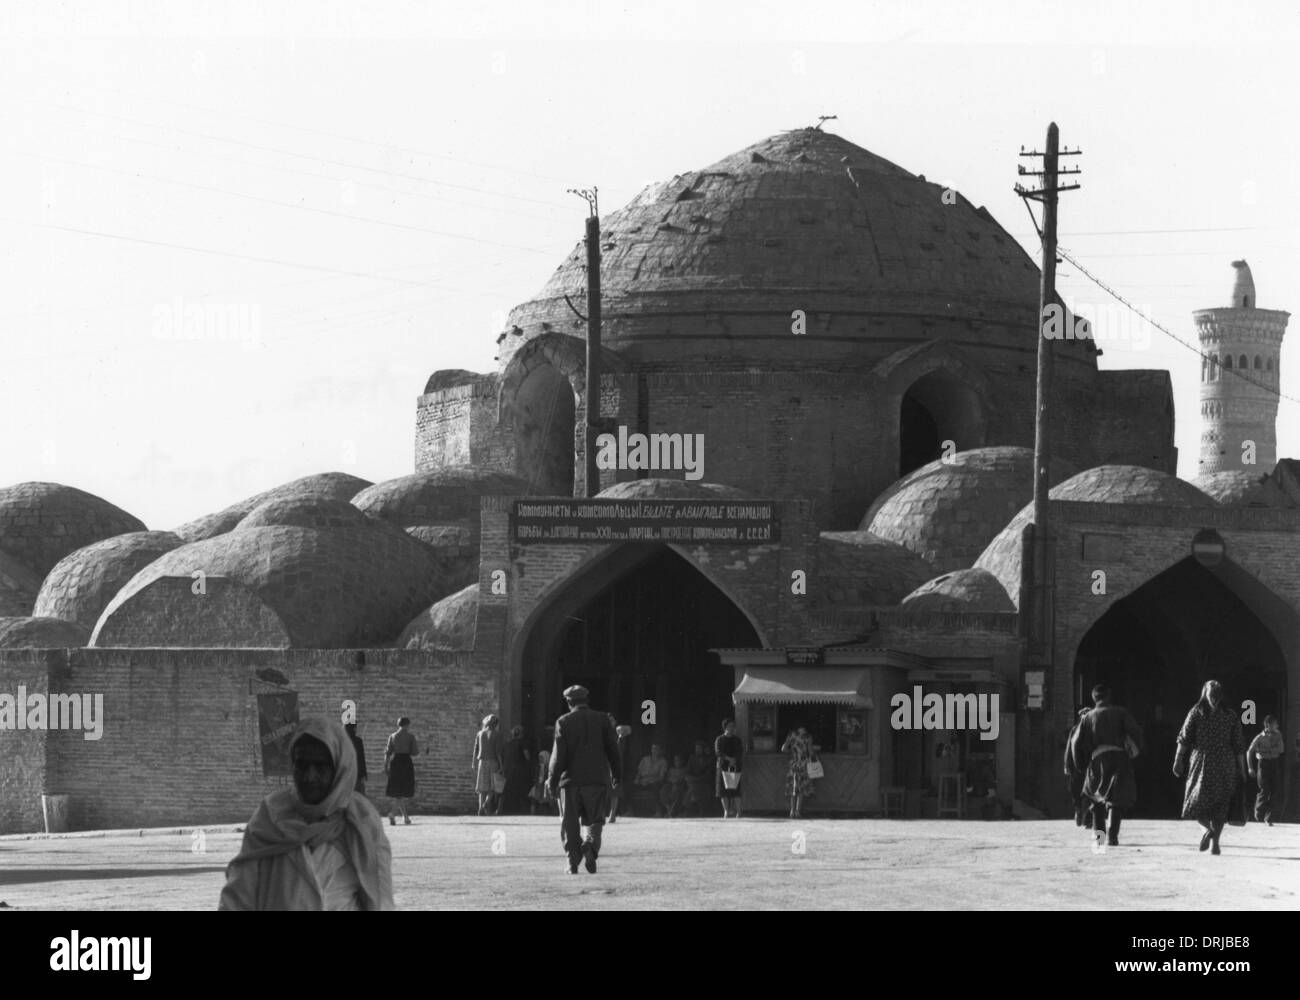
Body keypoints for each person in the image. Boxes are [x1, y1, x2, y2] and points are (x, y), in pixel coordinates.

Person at [219, 717, 394, 910]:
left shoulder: (362, 822)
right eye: (302, 765)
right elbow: (237, 897)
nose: (310, 776)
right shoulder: (270, 817)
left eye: (321, 766)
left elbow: (379, 898)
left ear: (339, 768)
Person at [548, 685, 621, 874]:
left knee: (570, 823)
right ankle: (590, 846)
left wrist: (552, 780)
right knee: (595, 821)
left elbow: (558, 756)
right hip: (597, 780)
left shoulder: (563, 721)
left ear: (569, 702)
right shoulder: (603, 720)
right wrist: (617, 775)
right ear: (586, 699)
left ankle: (572, 862)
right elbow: (614, 750)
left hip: (570, 782)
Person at [1174, 679, 1246, 855]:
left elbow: (1184, 738)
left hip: (1202, 763)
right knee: (1220, 805)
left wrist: (1178, 759)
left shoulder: (1196, 712)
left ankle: (1206, 831)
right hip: (1225, 763)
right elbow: (1239, 745)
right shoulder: (1231, 715)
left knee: (1197, 802)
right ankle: (1216, 844)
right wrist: (1242, 769)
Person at [1069, 684, 1142, 847]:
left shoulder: (1087, 718)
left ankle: (1100, 839)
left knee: (1096, 801)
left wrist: (1080, 764)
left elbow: (1076, 743)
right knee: (1115, 800)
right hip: (1119, 758)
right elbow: (1135, 732)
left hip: (1097, 761)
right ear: (1108, 697)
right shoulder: (1120, 712)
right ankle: (1113, 838)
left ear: (1094, 698)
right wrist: (1135, 750)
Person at [1248, 715, 1285, 826]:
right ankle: (1258, 815)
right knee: (1264, 790)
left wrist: (1267, 751)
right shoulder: (1259, 737)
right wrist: (1250, 767)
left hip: (1274, 763)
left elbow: (1281, 749)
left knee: (1275, 790)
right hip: (1263, 764)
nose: (1277, 726)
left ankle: (1269, 818)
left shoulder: (1278, 735)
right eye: (1275, 724)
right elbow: (1249, 751)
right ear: (1268, 725)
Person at [384, 716, 418, 826]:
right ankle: (392, 813)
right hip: (406, 763)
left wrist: (386, 767)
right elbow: (414, 752)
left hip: (395, 762)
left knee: (399, 791)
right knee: (402, 790)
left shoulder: (392, 736)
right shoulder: (410, 736)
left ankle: (406, 818)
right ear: (407, 725)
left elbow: (388, 753)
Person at [1063, 707, 1092, 828]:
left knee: (1088, 793)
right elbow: (1069, 749)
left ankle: (1087, 817)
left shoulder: (1092, 730)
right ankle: (1079, 812)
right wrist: (1067, 765)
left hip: (1088, 767)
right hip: (1077, 767)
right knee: (1076, 792)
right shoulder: (1075, 730)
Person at [781, 726, 817, 819]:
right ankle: (797, 811)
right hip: (804, 764)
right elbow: (811, 752)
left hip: (793, 764)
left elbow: (783, 749)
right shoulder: (808, 737)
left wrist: (792, 751)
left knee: (793, 787)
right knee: (801, 788)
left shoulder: (791, 735)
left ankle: (791, 811)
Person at [473, 715, 505, 816]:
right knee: (493, 786)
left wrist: (474, 763)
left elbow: (476, 749)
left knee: (482, 787)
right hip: (493, 762)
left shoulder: (479, 734)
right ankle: (485, 804)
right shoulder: (497, 735)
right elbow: (498, 752)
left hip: (482, 762)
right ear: (495, 724)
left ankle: (480, 808)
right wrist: (501, 766)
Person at [501, 724, 533, 816]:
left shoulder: (508, 743)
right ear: (521, 734)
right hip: (520, 769)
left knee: (509, 789)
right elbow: (526, 755)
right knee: (521, 789)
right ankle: (522, 809)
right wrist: (530, 763)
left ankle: (507, 809)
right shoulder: (523, 742)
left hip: (509, 769)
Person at [715, 720, 743, 818]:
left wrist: (734, 759)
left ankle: (739, 812)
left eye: (733, 726)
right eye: (730, 726)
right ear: (725, 727)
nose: (732, 728)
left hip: (735, 767)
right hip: (723, 767)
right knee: (722, 791)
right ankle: (726, 811)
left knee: (736, 790)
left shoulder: (737, 740)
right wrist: (728, 758)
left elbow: (740, 751)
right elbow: (718, 752)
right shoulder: (719, 739)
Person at [607, 720, 632, 823]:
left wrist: (620, 734)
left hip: (615, 765)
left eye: (612, 720)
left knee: (615, 789)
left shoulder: (619, 733)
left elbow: (627, 729)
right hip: (604, 764)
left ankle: (612, 814)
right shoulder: (603, 733)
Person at [633, 743, 669, 816]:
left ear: (660, 751)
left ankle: (658, 811)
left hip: (654, 782)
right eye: (653, 748)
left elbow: (662, 777)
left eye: (656, 749)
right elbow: (639, 772)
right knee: (627, 786)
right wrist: (637, 779)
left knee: (656, 788)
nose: (654, 751)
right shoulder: (645, 759)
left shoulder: (663, 761)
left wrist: (650, 782)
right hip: (642, 781)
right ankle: (629, 810)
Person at [684, 740, 714, 816]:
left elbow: (709, 774)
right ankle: (693, 811)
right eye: (696, 748)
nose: (697, 750)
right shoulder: (692, 758)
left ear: (703, 749)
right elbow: (687, 772)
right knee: (692, 787)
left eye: (699, 748)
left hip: (705, 782)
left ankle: (690, 811)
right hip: (694, 782)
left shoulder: (709, 759)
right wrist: (692, 779)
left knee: (694, 789)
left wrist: (696, 779)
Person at [345, 722, 368, 796]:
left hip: (346, 772)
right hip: (357, 773)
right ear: (354, 729)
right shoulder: (358, 741)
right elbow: (361, 758)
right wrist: (364, 773)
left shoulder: (343, 741)